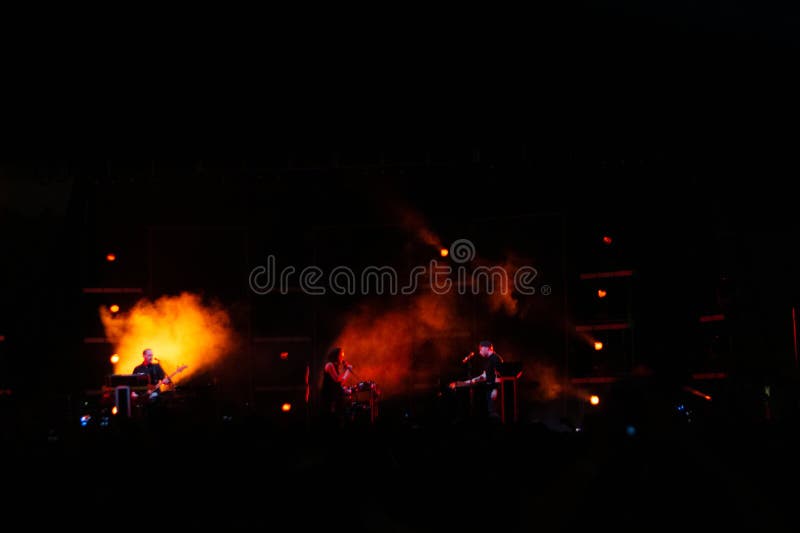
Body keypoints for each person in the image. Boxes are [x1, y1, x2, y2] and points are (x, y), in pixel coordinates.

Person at [450, 340, 503, 420]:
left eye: (481, 349)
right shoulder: (488, 359)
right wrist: (465, 382)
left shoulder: (495, 359)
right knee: (489, 413)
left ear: (487, 348)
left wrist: (495, 389)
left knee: (493, 413)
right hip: (489, 389)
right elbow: (484, 376)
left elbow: (500, 375)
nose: (480, 351)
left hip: (493, 390)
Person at [318, 346, 353, 429]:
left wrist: (346, 372)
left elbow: (341, 381)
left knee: (340, 418)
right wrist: (348, 371)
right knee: (331, 420)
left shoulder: (335, 366)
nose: (342, 357)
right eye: (341, 355)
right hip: (329, 398)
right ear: (336, 356)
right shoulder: (329, 365)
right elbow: (337, 379)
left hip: (335, 397)